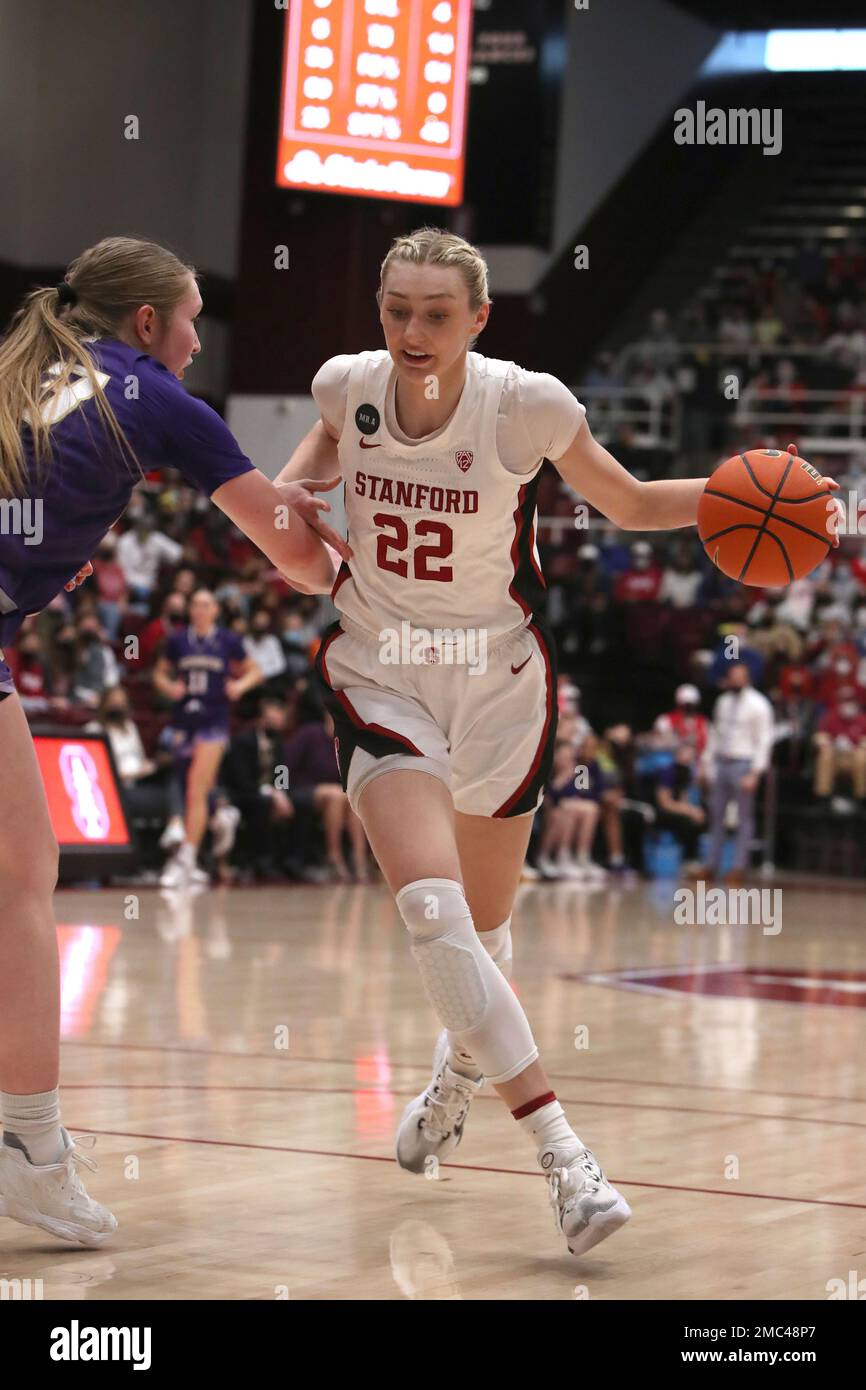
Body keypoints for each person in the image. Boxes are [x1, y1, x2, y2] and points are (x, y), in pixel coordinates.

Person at [275, 227, 827, 1258]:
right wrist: (294, 495)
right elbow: (310, 463)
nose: (411, 331)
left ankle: (454, 1079)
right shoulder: (344, 383)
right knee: (433, 915)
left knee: (481, 935)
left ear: (478, 318)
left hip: (499, 684)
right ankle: (564, 1157)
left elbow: (621, 502)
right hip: (378, 671)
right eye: (396, 309)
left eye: (435, 314)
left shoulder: (524, 402)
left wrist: (758, 501)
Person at [0, 235, 346, 1247]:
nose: (200, 341)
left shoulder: (40, 367)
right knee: (23, 878)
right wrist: (368, 545)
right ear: (148, 325)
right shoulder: (153, 398)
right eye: (194, 319)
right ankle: (29, 1147)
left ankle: (30, 1142)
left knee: (23, 866)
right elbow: (296, 563)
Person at [153, 588, 263, 888]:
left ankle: (186, 857)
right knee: (189, 785)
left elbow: (256, 671)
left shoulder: (228, 640)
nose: (200, 609)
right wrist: (169, 687)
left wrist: (239, 687)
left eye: (206, 604)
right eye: (196, 604)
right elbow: (159, 674)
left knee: (195, 787)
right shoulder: (177, 640)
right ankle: (220, 816)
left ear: (215, 610)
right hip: (184, 719)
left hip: (214, 721)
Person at [699, 661, 775, 884]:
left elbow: (764, 740)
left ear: (747, 678)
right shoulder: (722, 702)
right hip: (722, 761)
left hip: (744, 763)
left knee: (743, 818)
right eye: (732, 676)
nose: (735, 680)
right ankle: (711, 865)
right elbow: (716, 734)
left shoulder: (759, 705)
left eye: (739, 677)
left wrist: (756, 772)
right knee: (716, 816)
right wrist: (706, 761)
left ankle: (739, 867)